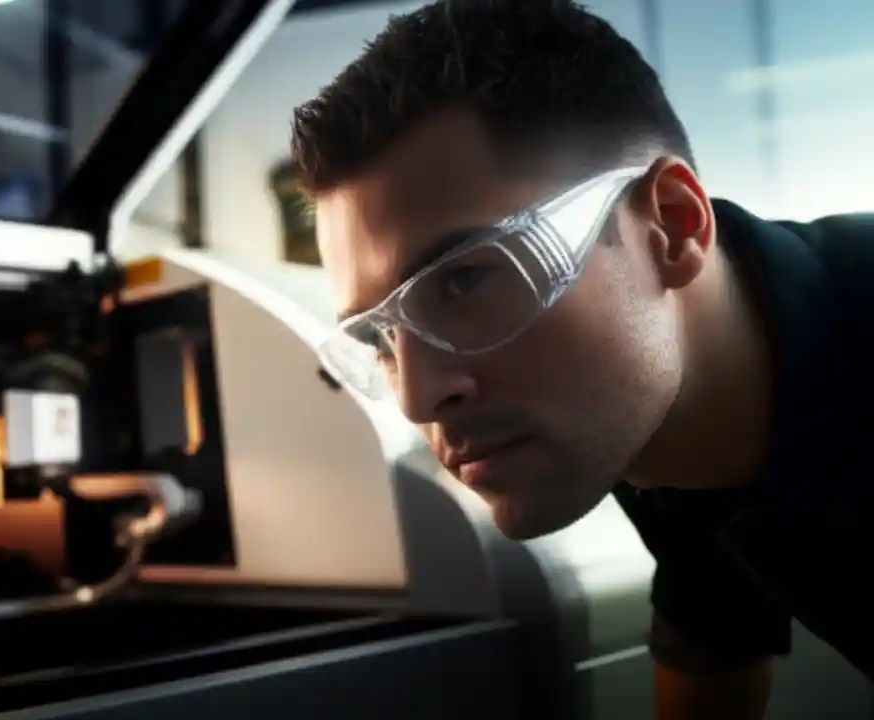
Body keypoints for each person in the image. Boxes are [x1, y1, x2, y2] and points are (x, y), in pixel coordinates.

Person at [289, 1, 873, 717]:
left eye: (467, 278)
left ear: (673, 225)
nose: (416, 398)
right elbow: (712, 631)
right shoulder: (654, 438)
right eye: (378, 337)